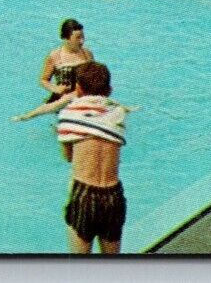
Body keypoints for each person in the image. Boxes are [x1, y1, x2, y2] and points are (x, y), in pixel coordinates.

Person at [57, 61, 130, 254]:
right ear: (109, 89)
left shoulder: (68, 115)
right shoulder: (118, 114)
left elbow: (68, 157)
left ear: (78, 89)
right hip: (113, 195)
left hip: (84, 194)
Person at [40, 19, 95, 103]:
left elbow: (94, 77)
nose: (82, 41)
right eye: (78, 38)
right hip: (63, 100)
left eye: (82, 37)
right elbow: (44, 80)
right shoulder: (55, 56)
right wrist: (55, 88)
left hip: (83, 98)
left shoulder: (87, 54)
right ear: (67, 38)